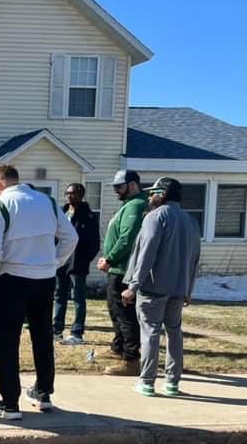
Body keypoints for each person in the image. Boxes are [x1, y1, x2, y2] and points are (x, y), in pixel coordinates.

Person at [0, 164, 78, 419]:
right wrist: (54, 262)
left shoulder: (0, 205)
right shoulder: (46, 201)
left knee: (8, 339)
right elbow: (71, 237)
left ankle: (10, 402)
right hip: (44, 279)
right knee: (43, 334)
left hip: (11, 278)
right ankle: (44, 392)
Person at [121, 177, 201, 396]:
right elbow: (195, 258)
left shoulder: (155, 218)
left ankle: (147, 381)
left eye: (153, 191)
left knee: (150, 333)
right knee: (174, 332)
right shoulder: (191, 221)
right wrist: (188, 289)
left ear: (163, 194)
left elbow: (147, 254)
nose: (149, 196)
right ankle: (172, 383)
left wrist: (133, 285)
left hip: (153, 288)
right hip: (178, 288)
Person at [96, 170, 147, 376]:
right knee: (115, 311)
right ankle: (118, 348)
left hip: (123, 270)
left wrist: (110, 258)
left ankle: (131, 360)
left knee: (125, 315)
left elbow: (127, 237)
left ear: (132, 185)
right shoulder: (130, 205)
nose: (116, 191)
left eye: (119, 186)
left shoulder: (136, 205)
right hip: (118, 269)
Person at [53, 183, 100, 345]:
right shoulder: (62, 212)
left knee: (78, 298)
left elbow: (94, 243)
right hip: (61, 261)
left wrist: (85, 259)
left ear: (81, 194)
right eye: (67, 193)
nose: (69, 196)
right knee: (59, 296)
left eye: (72, 193)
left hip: (78, 263)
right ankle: (56, 330)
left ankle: (77, 333)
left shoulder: (88, 216)